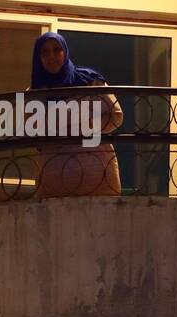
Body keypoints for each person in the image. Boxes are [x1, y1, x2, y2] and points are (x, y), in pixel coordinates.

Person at [29, 32, 124, 199]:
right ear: (38, 57)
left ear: (65, 52)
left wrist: (77, 128)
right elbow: (34, 131)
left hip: (97, 173)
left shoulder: (90, 81)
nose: (52, 56)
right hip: (55, 176)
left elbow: (115, 115)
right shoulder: (34, 94)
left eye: (56, 49)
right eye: (45, 52)